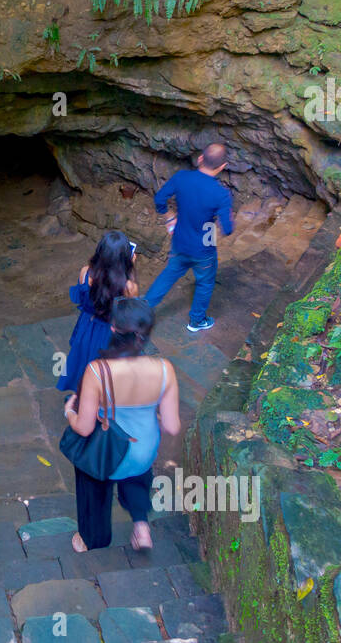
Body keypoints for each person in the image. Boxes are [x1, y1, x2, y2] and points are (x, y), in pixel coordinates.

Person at [62, 298, 181, 553]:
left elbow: (83, 428)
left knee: (93, 486)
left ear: (113, 329)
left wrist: (69, 412)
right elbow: (172, 426)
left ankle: (92, 540)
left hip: (108, 454)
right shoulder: (164, 369)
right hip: (143, 451)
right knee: (137, 479)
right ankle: (141, 527)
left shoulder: (98, 371)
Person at [144, 143, 234, 333]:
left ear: (200, 158)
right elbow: (228, 229)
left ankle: (140, 311)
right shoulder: (221, 194)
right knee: (205, 282)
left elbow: (160, 199)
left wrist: (169, 217)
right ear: (222, 167)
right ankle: (197, 321)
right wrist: (214, 221)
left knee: (169, 274)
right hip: (204, 246)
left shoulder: (181, 177)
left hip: (180, 240)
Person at [56, 231, 139, 393]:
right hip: (110, 335)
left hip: (88, 327)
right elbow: (130, 314)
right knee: (105, 375)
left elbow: (84, 299)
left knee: (83, 364)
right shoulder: (128, 286)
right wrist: (131, 270)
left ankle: (81, 398)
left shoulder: (85, 273)